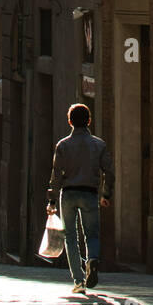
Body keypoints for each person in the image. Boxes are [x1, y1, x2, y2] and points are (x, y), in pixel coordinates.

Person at [47, 103, 114, 293]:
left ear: (69, 121)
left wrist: (52, 200)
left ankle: (78, 281)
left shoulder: (63, 145)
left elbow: (56, 175)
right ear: (89, 121)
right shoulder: (99, 145)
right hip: (90, 193)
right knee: (91, 234)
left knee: (70, 237)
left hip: (68, 193)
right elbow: (108, 172)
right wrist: (106, 194)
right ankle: (92, 259)